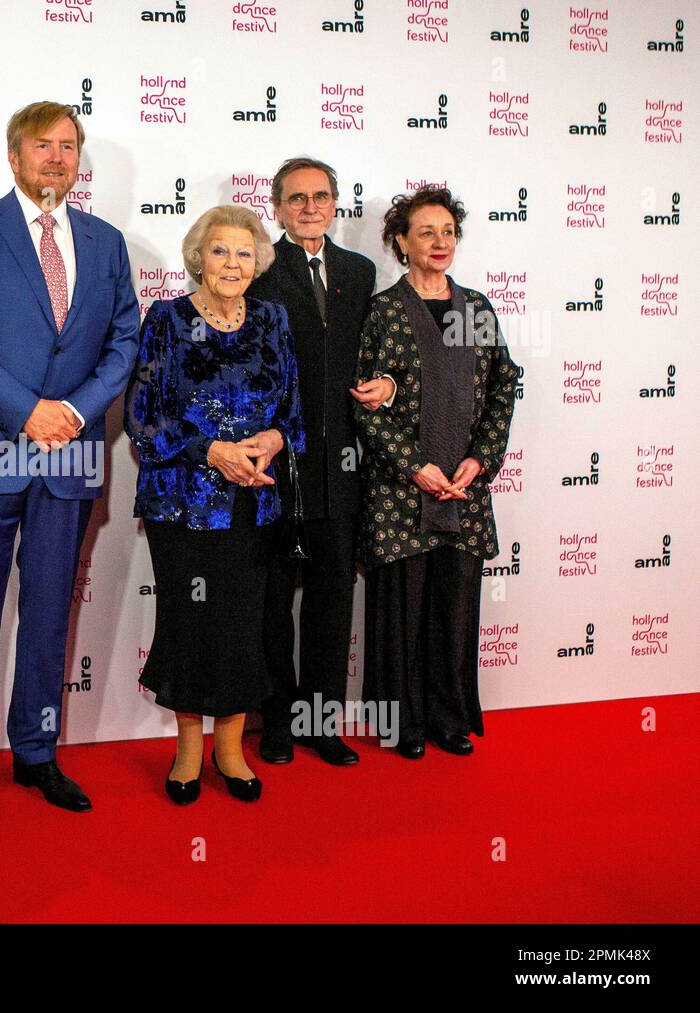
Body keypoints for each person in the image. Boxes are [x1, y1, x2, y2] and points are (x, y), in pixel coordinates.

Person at [0, 101, 140, 845]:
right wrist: (29, 412)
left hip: (71, 454)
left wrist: (74, 415)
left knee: (50, 614)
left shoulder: (106, 242)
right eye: (42, 145)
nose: (56, 156)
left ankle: (38, 750)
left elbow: (123, 342)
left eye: (69, 145)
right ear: (14, 156)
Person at [125, 205, 304, 805]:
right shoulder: (167, 319)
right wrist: (212, 451)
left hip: (255, 504)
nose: (232, 263)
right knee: (191, 623)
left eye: (244, 252)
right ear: (199, 257)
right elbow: (144, 419)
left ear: (260, 262)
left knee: (241, 627)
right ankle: (188, 751)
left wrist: (275, 439)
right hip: (182, 506)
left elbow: (293, 413)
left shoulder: (274, 318)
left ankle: (230, 750)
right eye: (220, 250)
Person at [355, 186, 519, 759]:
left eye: (448, 231)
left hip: (464, 490)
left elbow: (503, 385)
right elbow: (366, 405)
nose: (440, 242)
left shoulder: (476, 308)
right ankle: (407, 724)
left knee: (454, 608)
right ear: (401, 241)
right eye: (426, 232)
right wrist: (414, 467)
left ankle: (450, 718)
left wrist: (482, 458)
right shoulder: (384, 311)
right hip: (403, 494)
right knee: (403, 611)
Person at [245, 157, 390, 767]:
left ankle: (318, 722)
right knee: (274, 599)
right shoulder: (258, 269)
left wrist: (384, 380)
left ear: (335, 204)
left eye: (321, 196)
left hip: (344, 466)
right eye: (296, 198)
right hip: (278, 466)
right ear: (276, 208)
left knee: (333, 598)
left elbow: (373, 349)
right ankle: (277, 720)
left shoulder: (359, 271)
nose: (310, 207)